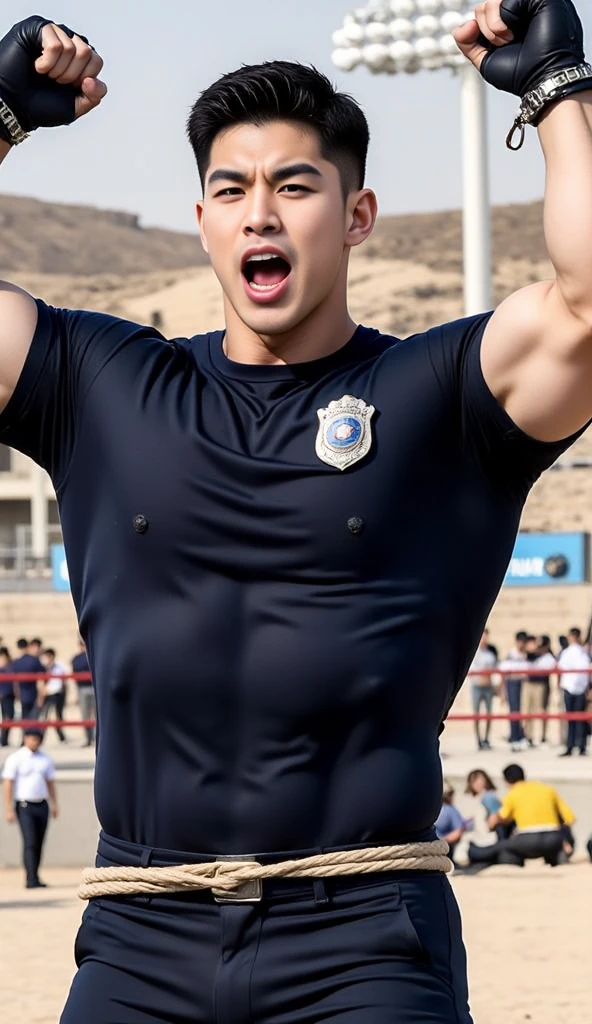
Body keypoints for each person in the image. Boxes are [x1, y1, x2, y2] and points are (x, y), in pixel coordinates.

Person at [0, 4, 590, 1022]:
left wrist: (559, 92)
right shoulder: (103, 382)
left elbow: (585, 307)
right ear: (203, 223)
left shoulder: (436, 395)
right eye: (230, 189)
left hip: (363, 936)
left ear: (356, 215)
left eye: (293, 185)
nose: (258, 212)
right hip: (141, 936)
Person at [468, 764, 576, 869]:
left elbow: (500, 818)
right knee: (554, 846)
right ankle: (559, 858)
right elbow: (570, 818)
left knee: (505, 848)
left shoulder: (512, 794)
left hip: (527, 840)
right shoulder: (548, 789)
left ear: (507, 781)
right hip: (553, 838)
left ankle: (512, 865)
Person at [2, 726, 59, 887]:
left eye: (37, 739)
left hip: (42, 804)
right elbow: (8, 784)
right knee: (30, 841)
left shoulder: (45, 759)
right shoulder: (16, 758)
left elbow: (50, 783)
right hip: (24, 805)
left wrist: (54, 803)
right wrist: (8, 808)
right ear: (25, 738)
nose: (34, 741)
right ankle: (30, 878)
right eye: (31, 738)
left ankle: (36, 874)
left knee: (40, 841)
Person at [558, 626, 590, 756]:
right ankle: (574, 745)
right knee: (574, 718)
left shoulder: (581, 652)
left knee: (576, 718)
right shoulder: (575, 652)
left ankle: (576, 746)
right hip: (572, 688)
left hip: (577, 688)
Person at [523, 634, 556, 747]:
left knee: (542, 711)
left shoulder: (549, 657)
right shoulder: (532, 655)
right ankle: (529, 736)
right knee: (528, 712)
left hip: (541, 685)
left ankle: (543, 736)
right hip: (529, 684)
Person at [498, 632, 529, 752]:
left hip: (524, 683)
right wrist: (503, 691)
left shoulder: (526, 655)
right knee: (514, 711)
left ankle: (521, 736)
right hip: (513, 683)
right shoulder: (511, 655)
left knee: (523, 712)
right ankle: (514, 738)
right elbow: (503, 673)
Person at [467, 630, 497, 750]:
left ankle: (486, 739)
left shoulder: (490, 654)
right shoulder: (473, 654)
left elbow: (494, 670)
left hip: (488, 687)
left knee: (489, 713)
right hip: (476, 686)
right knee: (477, 714)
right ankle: (478, 739)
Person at [465, 769, 512, 842]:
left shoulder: (488, 797)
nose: (477, 783)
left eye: (479, 780)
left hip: (488, 838)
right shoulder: (480, 798)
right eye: (474, 781)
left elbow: (496, 815)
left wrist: (486, 829)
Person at [434, 780, 471, 865]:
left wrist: (440, 841)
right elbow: (458, 832)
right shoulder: (447, 810)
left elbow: (458, 831)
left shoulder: (448, 810)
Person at [11, 637, 44, 725]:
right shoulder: (35, 661)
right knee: (34, 721)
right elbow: (40, 681)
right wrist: (41, 697)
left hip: (22, 695)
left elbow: (15, 683)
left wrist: (17, 695)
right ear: (28, 646)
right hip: (34, 695)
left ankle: (25, 737)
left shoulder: (15, 663)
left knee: (24, 721)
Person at [39, 647, 68, 743]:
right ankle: (41, 737)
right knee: (45, 717)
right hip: (47, 695)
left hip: (56, 695)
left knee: (57, 716)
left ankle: (61, 737)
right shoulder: (44, 667)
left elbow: (60, 683)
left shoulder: (59, 667)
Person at [72, 638, 94, 747]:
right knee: (90, 716)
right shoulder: (81, 658)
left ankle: (90, 739)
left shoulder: (78, 659)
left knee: (90, 716)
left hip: (87, 688)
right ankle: (90, 738)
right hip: (87, 688)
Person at [0, 644, 15, 746]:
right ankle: (3, 739)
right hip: (3, 694)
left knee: (9, 717)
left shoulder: (11, 666)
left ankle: (4, 738)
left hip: (9, 695)